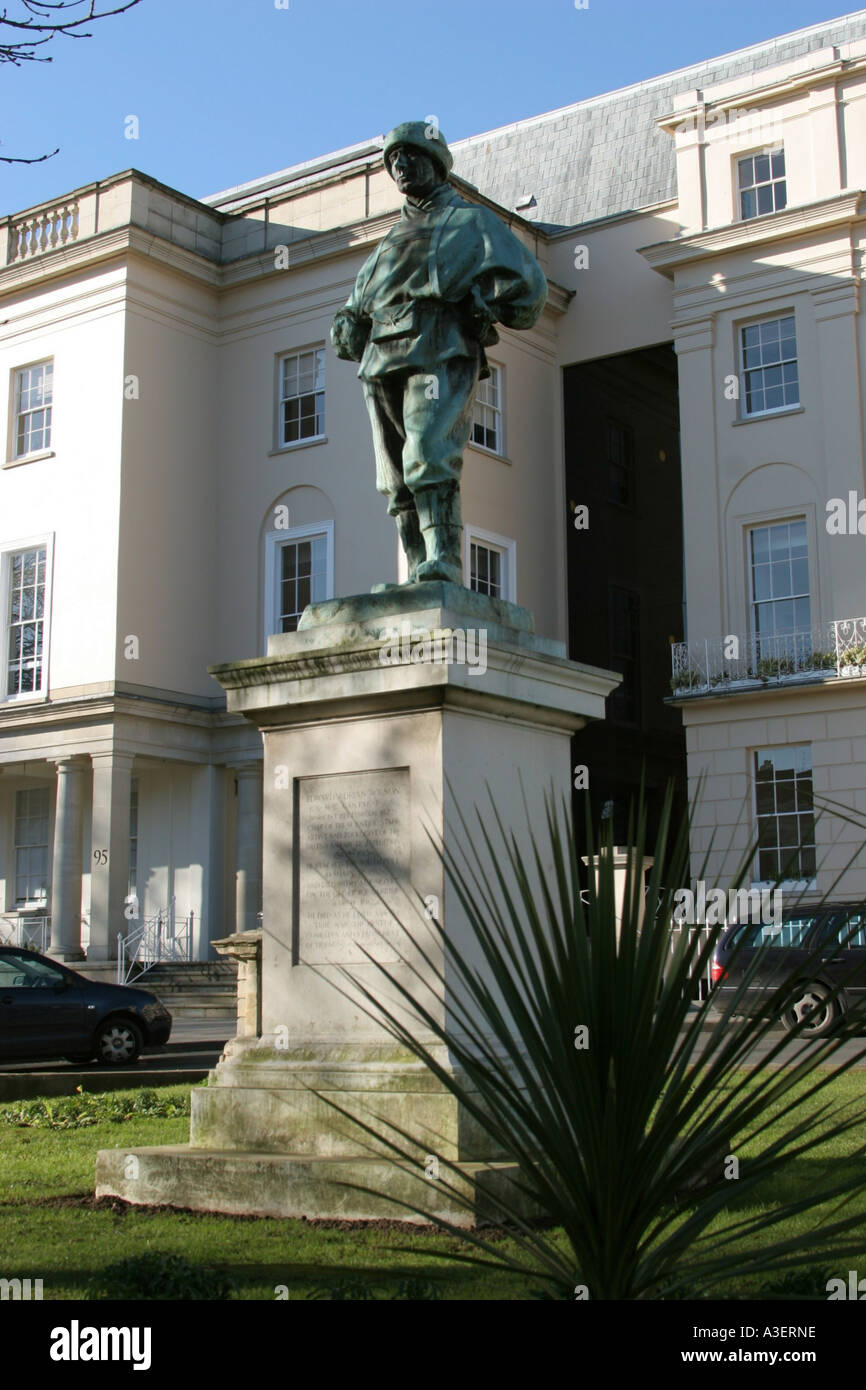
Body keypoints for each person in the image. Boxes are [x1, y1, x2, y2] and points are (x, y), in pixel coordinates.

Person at [331, 120, 547, 588]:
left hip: (439, 346)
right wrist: (347, 324)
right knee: (394, 477)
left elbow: (529, 285)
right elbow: (355, 306)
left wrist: (484, 304)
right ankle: (418, 572)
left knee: (428, 453)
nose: (401, 166)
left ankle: (443, 560)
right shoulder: (387, 244)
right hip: (380, 362)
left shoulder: (472, 222)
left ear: (436, 163)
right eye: (393, 161)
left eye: (410, 156)